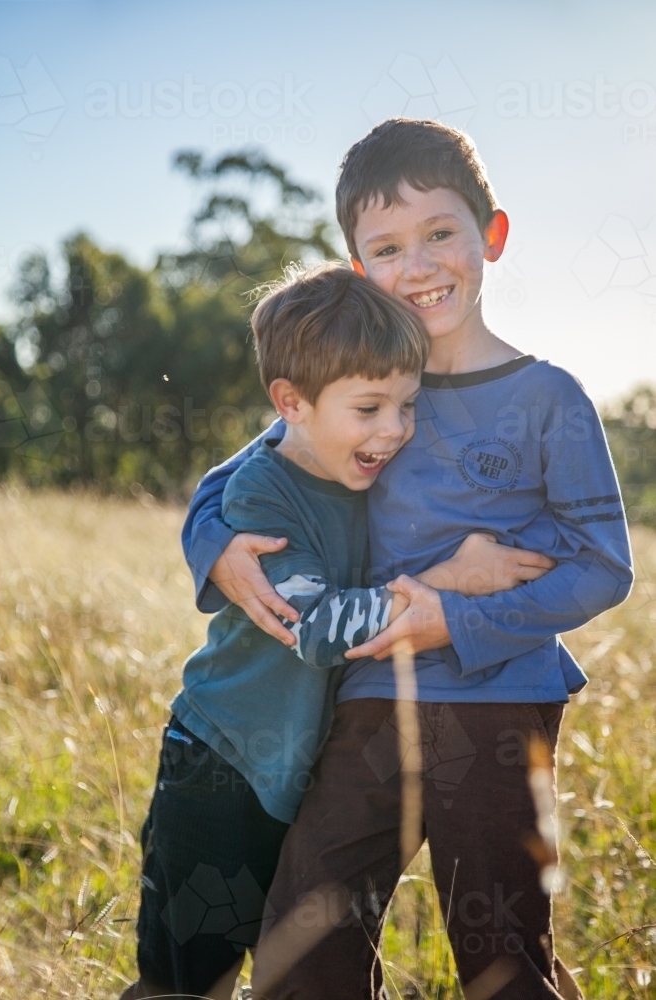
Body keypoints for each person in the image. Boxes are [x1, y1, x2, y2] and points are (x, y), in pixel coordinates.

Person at [182, 119, 633, 1000]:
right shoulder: (364, 385)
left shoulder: (548, 399)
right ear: (358, 266)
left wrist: (453, 618)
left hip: (499, 710)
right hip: (367, 698)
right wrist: (213, 547)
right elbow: (238, 478)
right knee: (301, 947)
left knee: (501, 959)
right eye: (386, 248)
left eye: (439, 234)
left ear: (489, 235)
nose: (418, 266)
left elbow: (602, 565)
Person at [120, 263, 546, 1000]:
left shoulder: (365, 463)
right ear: (291, 403)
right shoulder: (261, 491)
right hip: (218, 774)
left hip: (305, 773)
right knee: (186, 980)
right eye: (370, 407)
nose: (394, 430)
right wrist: (450, 580)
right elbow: (317, 629)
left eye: (407, 405)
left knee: (302, 958)